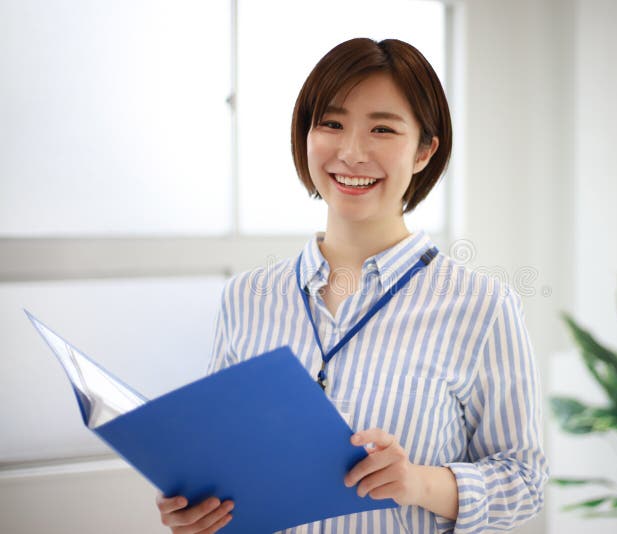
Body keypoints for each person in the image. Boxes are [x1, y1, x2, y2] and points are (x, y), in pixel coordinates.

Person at [156, 37, 548, 533]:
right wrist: (196, 506)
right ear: (306, 135)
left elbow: (525, 480)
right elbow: (221, 459)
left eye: (382, 128)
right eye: (332, 124)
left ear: (426, 149)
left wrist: (417, 483)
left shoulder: (481, 306)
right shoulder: (246, 299)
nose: (352, 152)